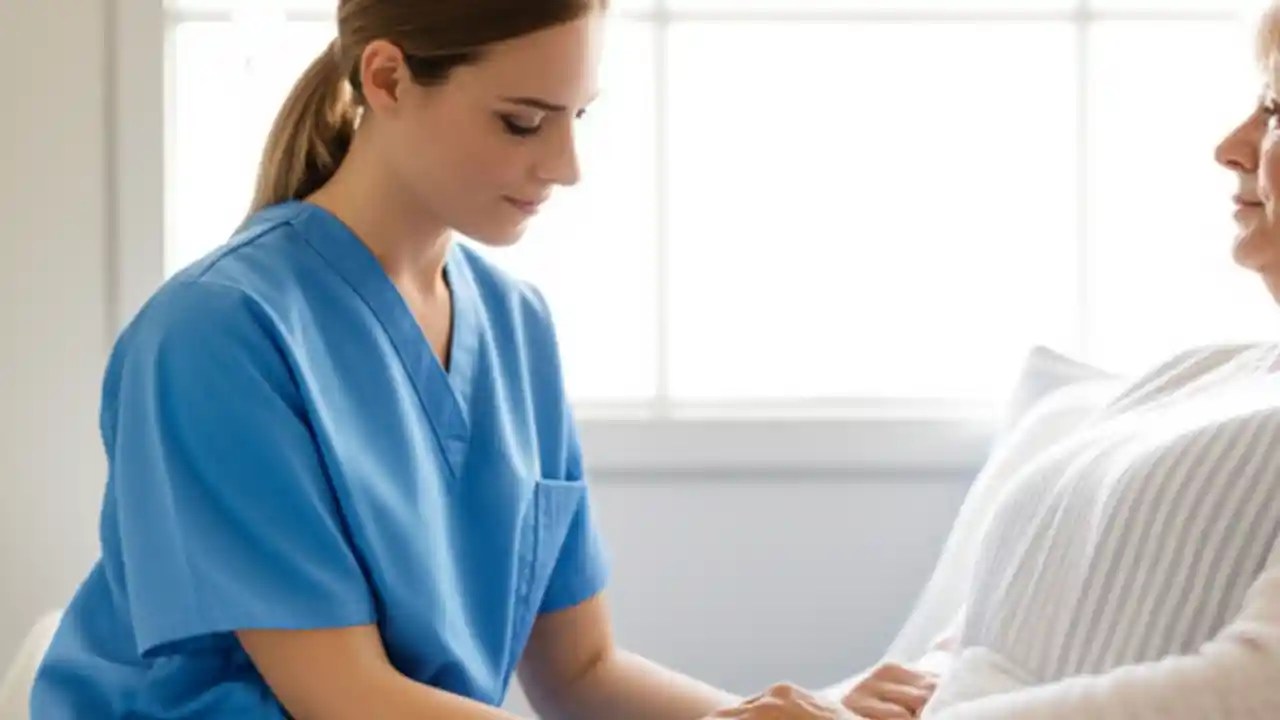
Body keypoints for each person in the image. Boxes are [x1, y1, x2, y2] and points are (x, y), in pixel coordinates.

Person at [27, 1, 882, 717]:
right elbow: (347, 700)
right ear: (388, 79)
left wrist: (767, 714)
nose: (567, 166)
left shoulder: (516, 326)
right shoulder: (218, 333)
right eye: (523, 122)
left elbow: (581, 673)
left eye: (577, 116)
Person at [829, 7, 1280, 718]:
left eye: (1275, 108)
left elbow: (1257, 691)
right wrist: (880, 694)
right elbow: (998, 621)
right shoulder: (1193, 377)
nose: (1231, 147)